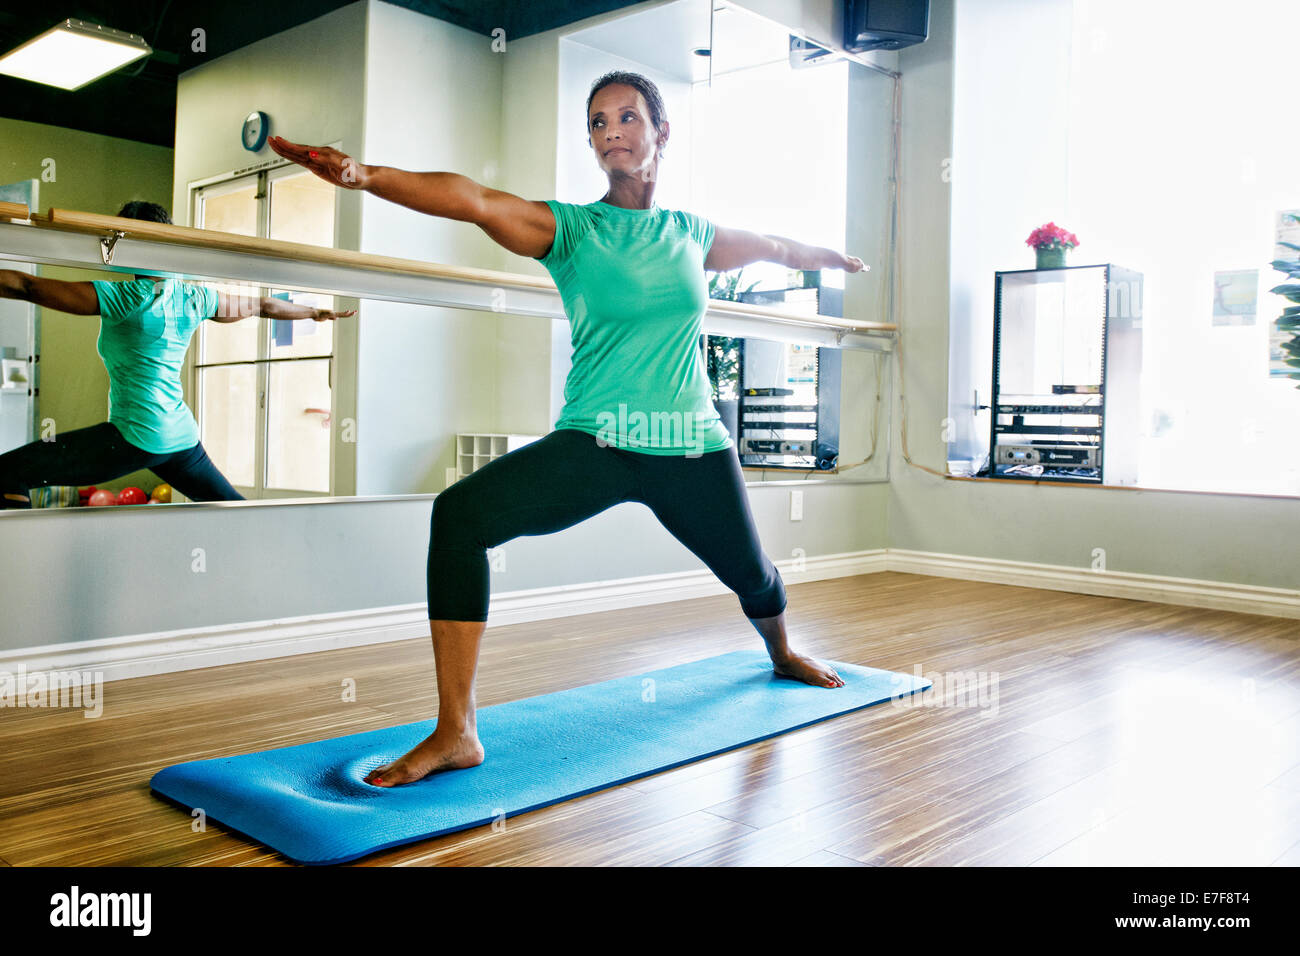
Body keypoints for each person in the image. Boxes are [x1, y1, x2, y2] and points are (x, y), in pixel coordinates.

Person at [269, 69, 867, 788]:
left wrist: (829, 257)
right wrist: (366, 175)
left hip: (692, 448)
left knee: (753, 574)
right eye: (597, 122)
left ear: (661, 131)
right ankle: (456, 730)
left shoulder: (691, 234)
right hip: (597, 442)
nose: (611, 131)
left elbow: (775, 246)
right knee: (458, 517)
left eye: (626, 117)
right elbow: (472, 198)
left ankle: (780, 653)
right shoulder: (571, 230)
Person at [0, 201, 354, 508]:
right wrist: (312, 312)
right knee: (237, 513)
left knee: (7, 474)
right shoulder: (194, 297)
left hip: (135, 435)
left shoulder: (125, 298)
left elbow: (27, 285)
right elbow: (261, 304)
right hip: (180, 437)